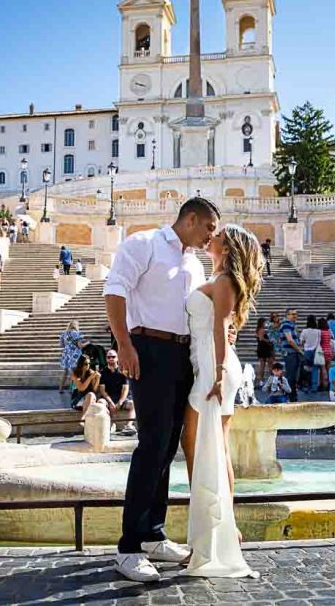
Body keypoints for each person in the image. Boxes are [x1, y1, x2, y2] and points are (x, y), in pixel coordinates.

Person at [103, 197, 215, 582]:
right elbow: (114, 291)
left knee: (168, 445)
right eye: (209, 228)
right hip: (147, 349)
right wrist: (124, 344)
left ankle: (153, 533)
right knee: (151, 444)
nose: (211, 236)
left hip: (183, 355)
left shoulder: (195, 263)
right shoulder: (143, 243)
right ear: (192, 219)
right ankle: (128, 548)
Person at [179, 222, 264, 579]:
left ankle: (215, 530)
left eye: (218, 235)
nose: (210, 237)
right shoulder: (219, 279)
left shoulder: (225, 280)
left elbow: (220, 328)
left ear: (227, 247)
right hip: (212, 366)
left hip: (215, 371)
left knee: (200, 445)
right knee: (212, 447)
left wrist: (214, 376)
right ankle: (219, 526)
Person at [97, 351, 135, 433]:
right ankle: (110, 423)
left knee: (133, 404)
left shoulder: (123, 371)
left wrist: (120, 402)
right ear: (106, 359)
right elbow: (102, 390)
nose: (111, 358)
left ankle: (129, 426)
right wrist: (110, 402)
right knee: (100, 403)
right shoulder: (103, 372)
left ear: (117, 358)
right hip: (108, 398)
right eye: (108, 357)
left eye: (113, 357)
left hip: (121, 398)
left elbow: (125, 389)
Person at [279, 308, 304, 401]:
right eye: (292, 314)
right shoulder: (286, 325)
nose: (294, 316)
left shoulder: (291, 325)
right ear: (287, 315)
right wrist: (300, 351)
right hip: (291, 353)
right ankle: (290, 396)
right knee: (291, 376)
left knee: (293, 375)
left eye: (296, 314)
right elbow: (290, 340)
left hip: (292, 353)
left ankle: (292, 394)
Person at [58, 320, 87, 393]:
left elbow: (61, 345)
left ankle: (61, 389)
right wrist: (87, 343)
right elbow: (80, 346)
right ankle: (72, 389)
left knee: (65, 371)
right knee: (75, 372)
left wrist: (68, 346)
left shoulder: (64, 334)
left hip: (66, 354)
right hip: (75, 354)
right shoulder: (77, 334)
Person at [298, 315, 322, 392]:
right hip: (316, 351)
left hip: (307, 351)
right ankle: (314, 386)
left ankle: (306, 385)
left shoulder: (305, 331)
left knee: (306, 369)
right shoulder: (318, 331)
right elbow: (319, 341)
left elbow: (301, 342)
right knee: (315, 369)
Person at [254, 318, 274, 387]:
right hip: (264, 348)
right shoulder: (262, 330)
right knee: (269, 365)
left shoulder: (257, 330)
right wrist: (269, 341)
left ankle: (260, 381)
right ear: (262, 323)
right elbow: (261, 338)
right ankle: (272, 380)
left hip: (261, 348)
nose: (266, 323)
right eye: (265, 322)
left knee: (262, 365)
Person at [317, 317, 335, 391]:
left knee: (322, 369)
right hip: (329, 351)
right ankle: (329, 385)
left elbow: (319, 342)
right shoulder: (328, 331)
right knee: (328, 369)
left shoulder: (320, 332)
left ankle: (322, 384)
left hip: (322, 351)